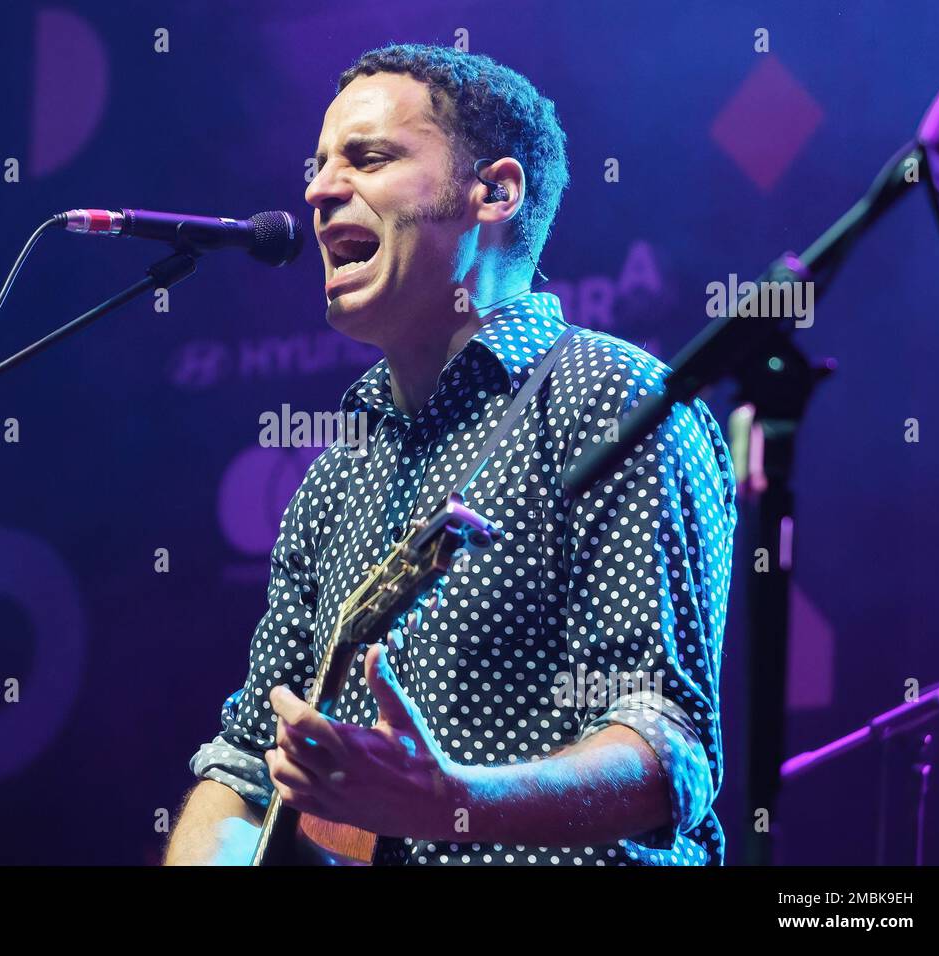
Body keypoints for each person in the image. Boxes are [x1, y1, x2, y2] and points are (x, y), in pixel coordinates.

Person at [165, 43, 735, 866]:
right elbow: (246, 765)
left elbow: (664, 748)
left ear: (495, 192)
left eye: (368, 158)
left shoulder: (607, 397)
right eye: (318, 167)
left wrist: (452, 802)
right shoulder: (335, 476)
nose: (320, 191)